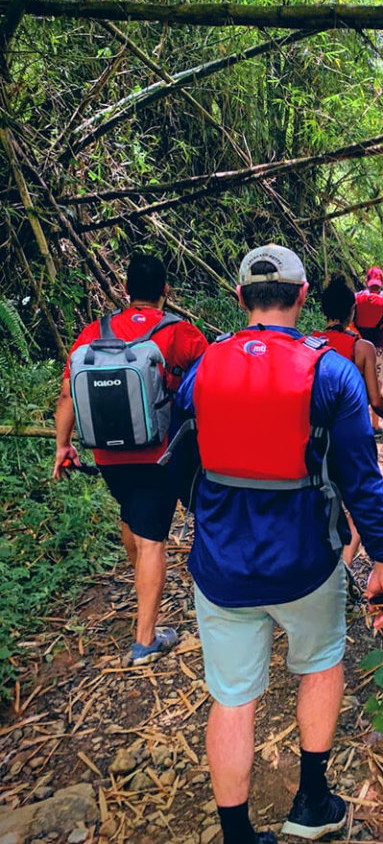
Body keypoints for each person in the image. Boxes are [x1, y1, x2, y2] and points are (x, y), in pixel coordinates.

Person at [175, 244, 383, 844]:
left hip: (221, 566)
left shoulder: (203, 368)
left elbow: (183, 460)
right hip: (306, 562)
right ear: (302, 297)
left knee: (232, 700)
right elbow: (361, 476)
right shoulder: (330, 371)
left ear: (239, 298)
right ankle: (311, 803)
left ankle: (237, 835)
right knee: (321, 665)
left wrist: (210, 515)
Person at [52, 252, 207, 666]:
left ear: (125, 290)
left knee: (132, 520)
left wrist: (62, 445)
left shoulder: (93, 332)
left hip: (107, 453)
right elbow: (209, 383)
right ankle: (145, 639)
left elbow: (68, 395)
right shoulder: (180, 333)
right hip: (159, 453)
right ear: (165, 292)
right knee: (153, 538)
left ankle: (144, 591)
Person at [314, 274, 383, 567]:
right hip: (350, 438)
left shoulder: (307, 344)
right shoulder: (361, 347)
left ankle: (327, 564)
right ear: (353, 310)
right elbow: (375, 400)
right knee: (359, 503)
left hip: (313, 436)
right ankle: (345, 566)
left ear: (323, 310)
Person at [353, 266, 383, 437]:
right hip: (378, 348)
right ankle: (375, 425)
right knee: (378, 385)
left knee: (358, 383)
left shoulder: (356, 298)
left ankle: (359, 424)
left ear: (367, 281)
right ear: (382, 282)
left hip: (358, 346)